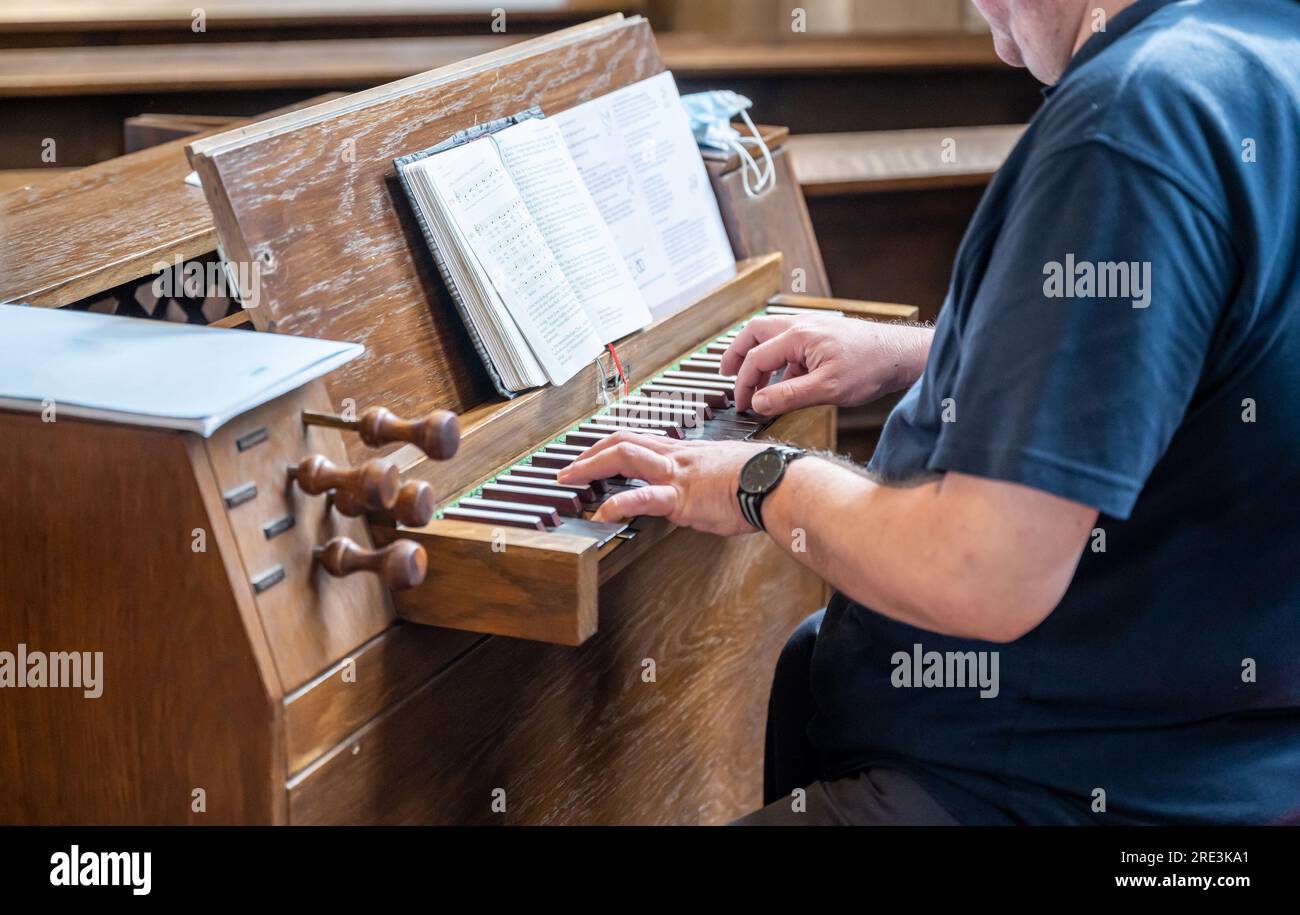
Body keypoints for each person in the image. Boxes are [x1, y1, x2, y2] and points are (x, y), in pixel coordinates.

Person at [558, 0, 1300, 825]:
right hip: (1235, 763)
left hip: (1061, 785)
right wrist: (929, 353)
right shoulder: (1263, 46)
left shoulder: (1138, 115)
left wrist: (765, 478)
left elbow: (983, 570)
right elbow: (1212, 350)